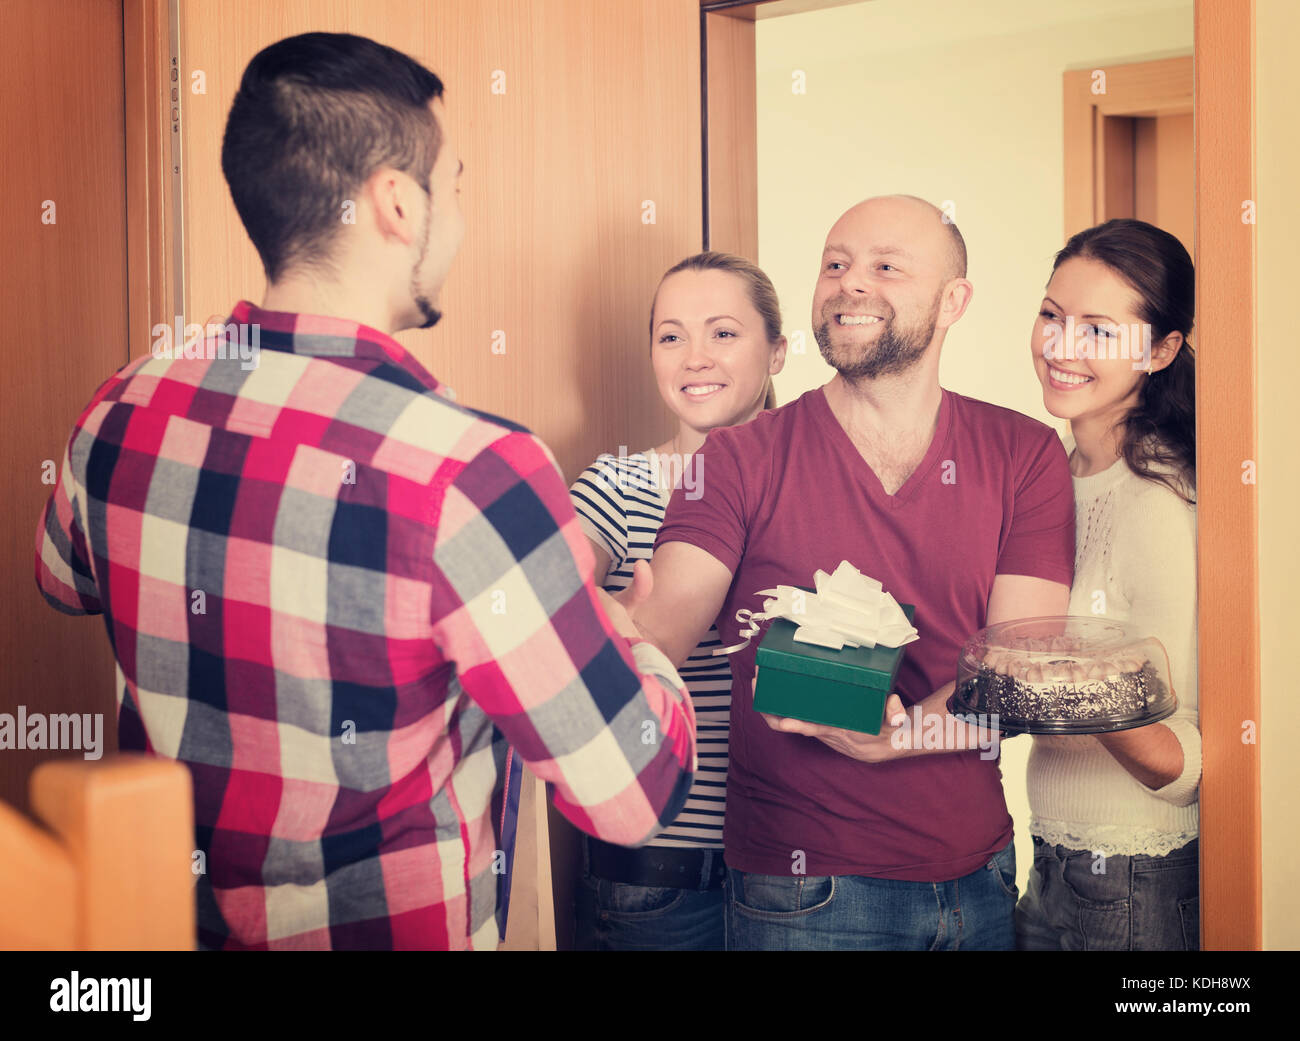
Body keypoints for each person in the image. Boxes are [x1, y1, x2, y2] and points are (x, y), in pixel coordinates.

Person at [33, 31, 696, 951]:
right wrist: (629, 640)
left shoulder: (122, 403)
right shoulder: (473, 469)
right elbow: (631, 792)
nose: (457, 217)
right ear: (395, 203)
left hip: (166, 932)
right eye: (452, 184)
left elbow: (63, 581)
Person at [623, 194, 1077, 950]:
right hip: (800, 893)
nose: (849, 283)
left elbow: (1022, 669)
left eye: (885, 266)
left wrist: (887, 738)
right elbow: (664, 622)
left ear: (953, 300)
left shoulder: (1024, 454)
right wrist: (620, 627)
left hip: (982, 879)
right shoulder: (738, 459)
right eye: (834, 264)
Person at [569, 252, 787, 950]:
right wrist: (615, 625)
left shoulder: (816, 487)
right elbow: (539, 612)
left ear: (777, 350)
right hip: (655, 877)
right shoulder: (619, 485)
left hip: (801, 874)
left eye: (723, 333)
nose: (696, 357)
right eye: (671, 335)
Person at [1015, 219, 1200, 951]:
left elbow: (1187, 762)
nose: (1061, 347)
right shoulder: (1049, 477)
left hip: (1135, 876)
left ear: (1160, 350)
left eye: (1098, 329)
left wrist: (1066, 685)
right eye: (1053, 316)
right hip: (1049, 856)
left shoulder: (1161, 501)